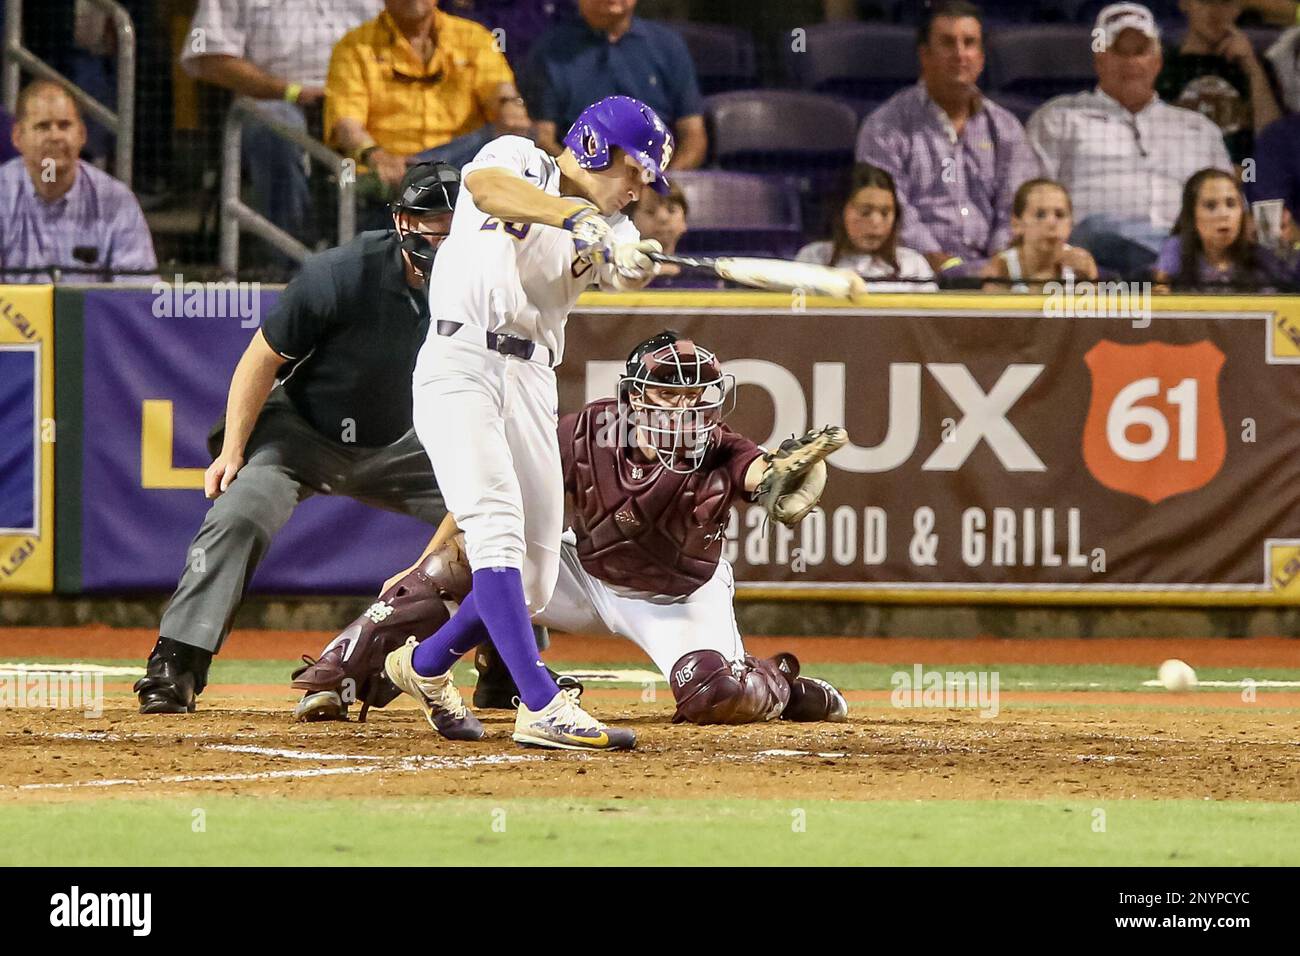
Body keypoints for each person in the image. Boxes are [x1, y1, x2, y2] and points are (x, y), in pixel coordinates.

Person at [294, 331, 850, 727]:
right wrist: (422, 561)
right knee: (458, 563)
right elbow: (490, 495)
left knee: (713, 693)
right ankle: (337, 678)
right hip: (583, 572)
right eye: (668, 393)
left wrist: (784, 471)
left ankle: (779, 683)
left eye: (694, 394)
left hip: (676, 596)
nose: (684, 406)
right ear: (634, 395)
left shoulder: (722, 445)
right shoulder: (588, 430)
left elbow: (760, 473)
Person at [365, 95, 670, 752]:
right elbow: (485, 187)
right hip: (462, 358)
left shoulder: (608, 228)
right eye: (635, 168)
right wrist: (580, 216)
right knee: (495, 526)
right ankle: (541, 705)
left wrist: (626, 259)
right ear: (593, 147)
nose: (639, 186)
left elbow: (615, 268)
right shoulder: (520, 158)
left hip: (532, 377)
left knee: (536, 577)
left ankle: (419, 667)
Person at [132, 163, 460, 715]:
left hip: (405, 441)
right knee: (239, 513)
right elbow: (261, 359)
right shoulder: (340, 273)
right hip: (302, 435)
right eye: (435, 227)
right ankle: (176, 664)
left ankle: (508, 664)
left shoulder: (484, 285)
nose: (448, 241)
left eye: (460, 228)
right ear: (403, 222)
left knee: (496, 516)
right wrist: (234, 451)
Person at [1027, 3, 1233, 276]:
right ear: (1098, 58)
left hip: (1189, 255)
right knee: (1096, 229)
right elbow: (1030, 204)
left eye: (1140, 51)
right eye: (1119, 52)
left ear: (1158, 62)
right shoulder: (1059, 119)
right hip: (1092, 257)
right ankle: (1175, 262)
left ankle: (1171, 264)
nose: (1131, 62)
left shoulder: (1199, 129)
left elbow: (1232, 209)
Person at [854, 1, 1040, 275]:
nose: (960, 54)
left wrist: (999, 262)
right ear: (924, 54)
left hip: (995, 273)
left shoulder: (1005, 127)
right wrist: (942, 263)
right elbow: (888, 209)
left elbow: (1016, 205)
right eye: (948, 43)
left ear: (982, 56)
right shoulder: (886, 126)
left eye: (969, 43)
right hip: (912, 271)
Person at [180, 0, 381, 254]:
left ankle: (385, 261)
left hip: (368, 101)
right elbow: (207, 55)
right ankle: (293, 261)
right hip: (276, 98)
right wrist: (289, 91)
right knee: (276, 131)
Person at [325, 0, 531, 215]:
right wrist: (375, 154)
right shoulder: (353, 47)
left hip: (461, 159)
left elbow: (499, 88)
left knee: (512, 140)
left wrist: (510, 107)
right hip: (396, 170)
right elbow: (347, 125)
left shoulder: (473, 37)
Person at [0, 81, 157, 284]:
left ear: (82, 135)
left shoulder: (116, 200)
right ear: (17, 137)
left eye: (64, 125)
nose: (55, 136)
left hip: (90, 316)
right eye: (42, 126)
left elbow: (137, 293)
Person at [523, 0, 707, 170]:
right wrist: (587, 184)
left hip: (658, 180)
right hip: (580, 187)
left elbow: (693, 134)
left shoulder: (669, 45)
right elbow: (543, 139)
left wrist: (665, 183)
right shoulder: (549, 51)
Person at [1156, 0, 1282, 166]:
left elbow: (1273, 141)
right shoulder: (1160, 67)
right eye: (1206, 2)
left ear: (1239, 8)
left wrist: (1252, 67)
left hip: (1245, 178)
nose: (1216, 12)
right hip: (1180, 178)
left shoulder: (1258, 67)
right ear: (1184, 3)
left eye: (1226, 2)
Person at [796, 164, 938, 292]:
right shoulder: (812, 259)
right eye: (865, 212)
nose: (876, 222)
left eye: (885, 213)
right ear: (840, 213)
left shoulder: (913, 265)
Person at [1152, 166, 1290, 290]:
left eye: (1231, 204)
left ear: (1242, 212)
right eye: (1210, 206)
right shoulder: (1177, 250)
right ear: (1192, 216)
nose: (1223, 214)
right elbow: (1161, 295)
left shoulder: (1262, 258)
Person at [982, 179, 1098, 292]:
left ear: (1071, 224)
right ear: (1017, 224)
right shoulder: (1001, 267)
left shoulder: (1083, 264)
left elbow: (1100, 308)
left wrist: (1089, 279)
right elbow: (988, 310)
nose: (1051, 223)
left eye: (1060, 215)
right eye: (1040, 215)